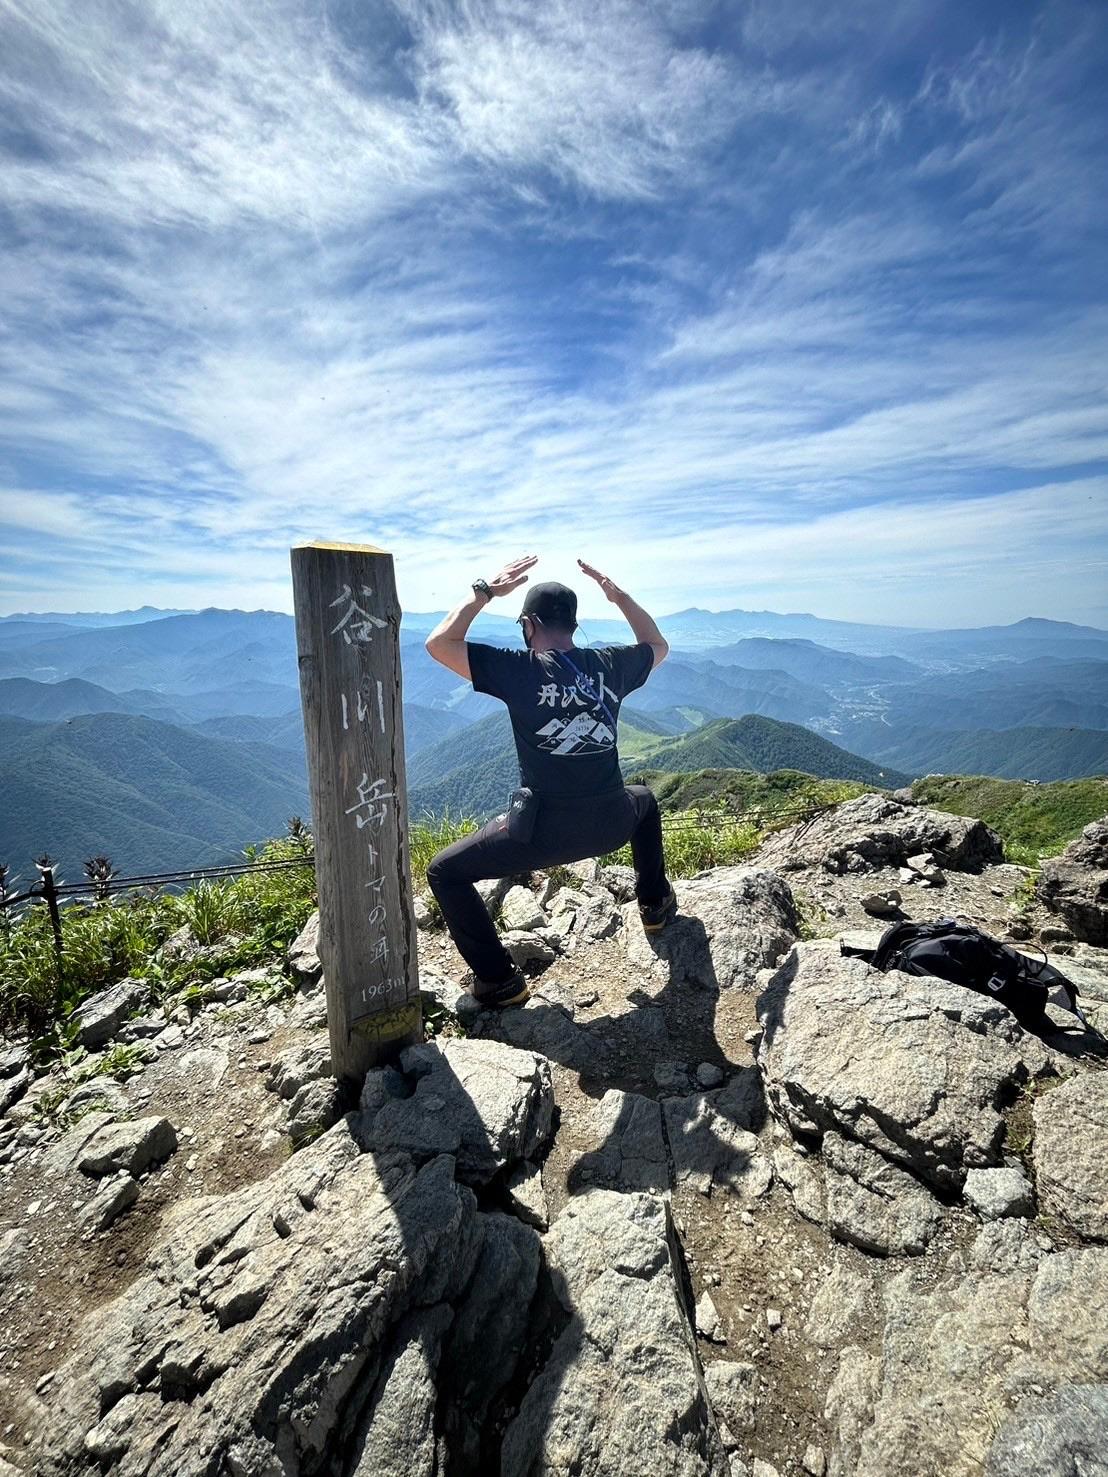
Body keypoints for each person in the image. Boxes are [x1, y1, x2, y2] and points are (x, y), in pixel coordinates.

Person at [423, 554, 677, 1007]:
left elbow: (440, 643)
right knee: (644, 798)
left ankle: (500, 980)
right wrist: (619, 597)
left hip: (542, 838)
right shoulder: (610, 665)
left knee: (443, 872)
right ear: (575, 627)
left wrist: (484, 591)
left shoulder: (520, 669)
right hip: (613, 822)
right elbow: (658, 643)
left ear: (528, 624)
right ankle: (654, 904)